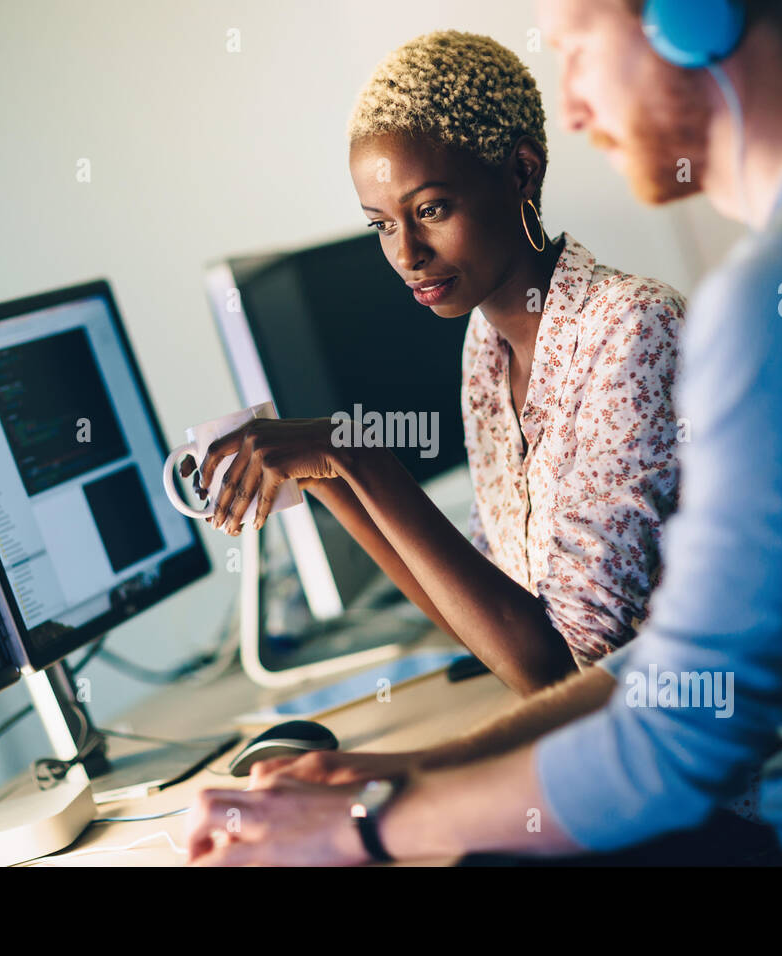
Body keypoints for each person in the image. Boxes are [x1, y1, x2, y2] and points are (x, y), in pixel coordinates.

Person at [186, 0, 782, 866]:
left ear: (691, 19)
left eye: (580, 47)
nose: (577, 107)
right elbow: (675, 662)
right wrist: (394, 770)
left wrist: (365, 825)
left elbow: (676, 731)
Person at [190, 31, 685, 694]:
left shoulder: (632, 329)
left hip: (702, 767)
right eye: (382, 225)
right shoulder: (485, 347)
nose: (406, 254)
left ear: (521, 173)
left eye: (430, 210)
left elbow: (560, 674)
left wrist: (359, 455)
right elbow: (488, 631)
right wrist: (331, 477)